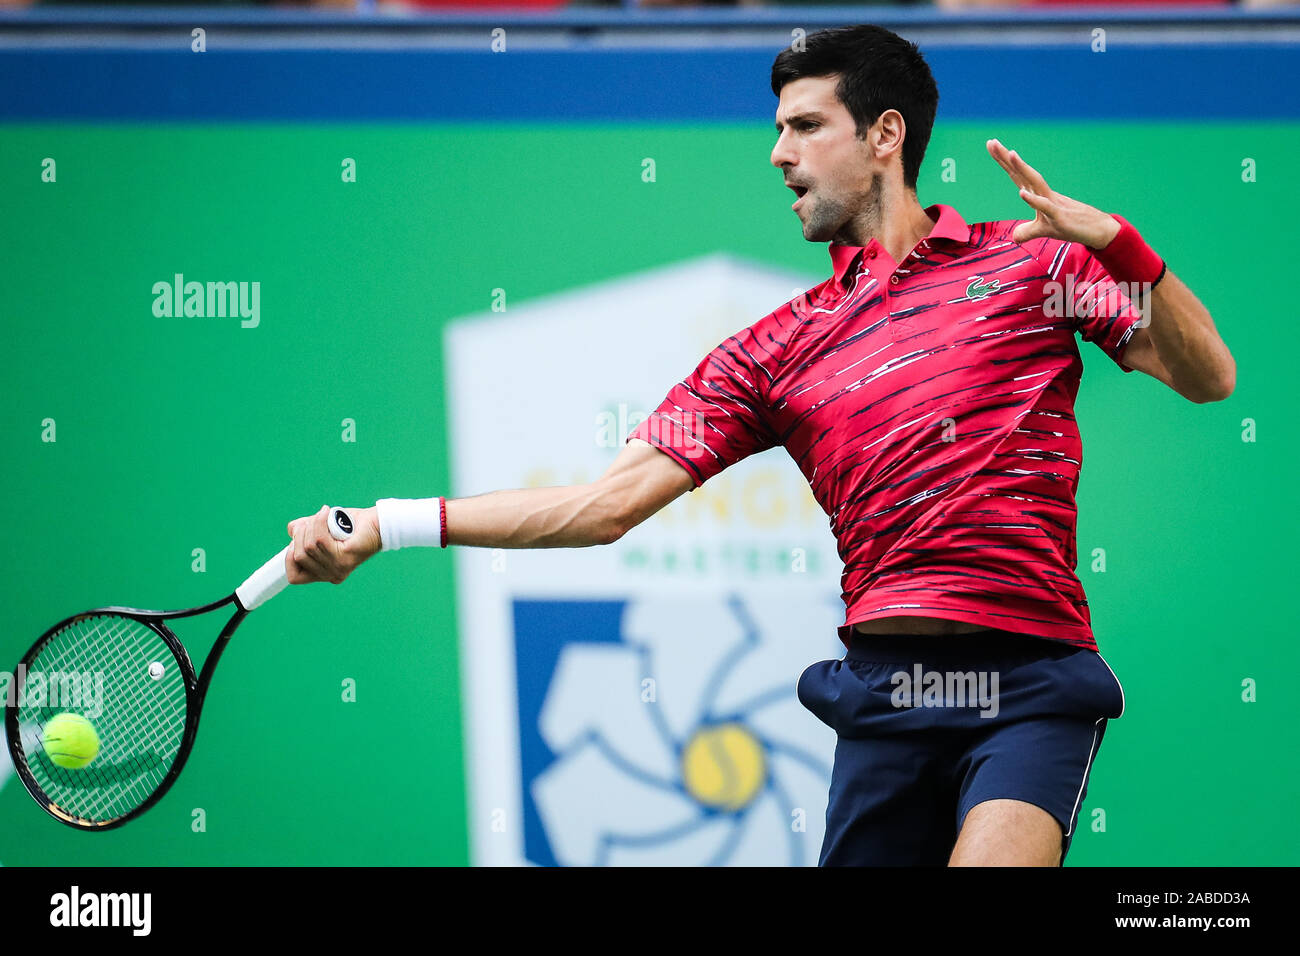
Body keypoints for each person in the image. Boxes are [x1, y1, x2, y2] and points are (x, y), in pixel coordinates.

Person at [282, 24, 1235, 866]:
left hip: (1027, 682)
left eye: (805, 125)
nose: (778, 153)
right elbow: (601, 505)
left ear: (885, 135)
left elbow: (1207, 376)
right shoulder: (770, 355)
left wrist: (1120, 243)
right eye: (778, 128)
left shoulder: (1036, 266)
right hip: (884, 695)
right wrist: (389, 524)